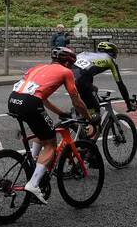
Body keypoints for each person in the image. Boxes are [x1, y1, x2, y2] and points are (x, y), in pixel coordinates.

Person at [7, 47, 92, 205]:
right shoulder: (66, 72)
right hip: (30, 104)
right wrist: (89, 117)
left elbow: (43, 99)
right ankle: (33, 184)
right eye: (71, 64)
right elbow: (77, 101)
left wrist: (61, 112)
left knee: (44, 129)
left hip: (13, 100)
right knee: (51, 144)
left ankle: (32, 161)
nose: (71, 67)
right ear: (67, 62)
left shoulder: (38, 67)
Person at [73, 41, 137, 116]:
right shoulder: (110, 60)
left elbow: (85, 73)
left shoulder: (90, 55)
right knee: (95, 114)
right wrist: (128, 103)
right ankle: (91, 123)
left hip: (70, 74)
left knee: (92, 90)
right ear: (112, 53)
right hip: (82, 79)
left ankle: (78, 118)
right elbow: (120, 85)